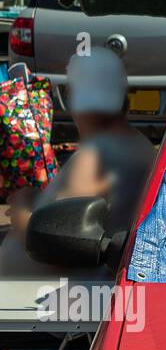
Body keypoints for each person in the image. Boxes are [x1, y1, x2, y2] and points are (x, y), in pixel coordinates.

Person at [7, 48, 155, 247]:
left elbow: (54, 240)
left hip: (65, 277)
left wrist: (21, 209)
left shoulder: (95, 156)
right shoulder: (137, 143)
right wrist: (40, 199)